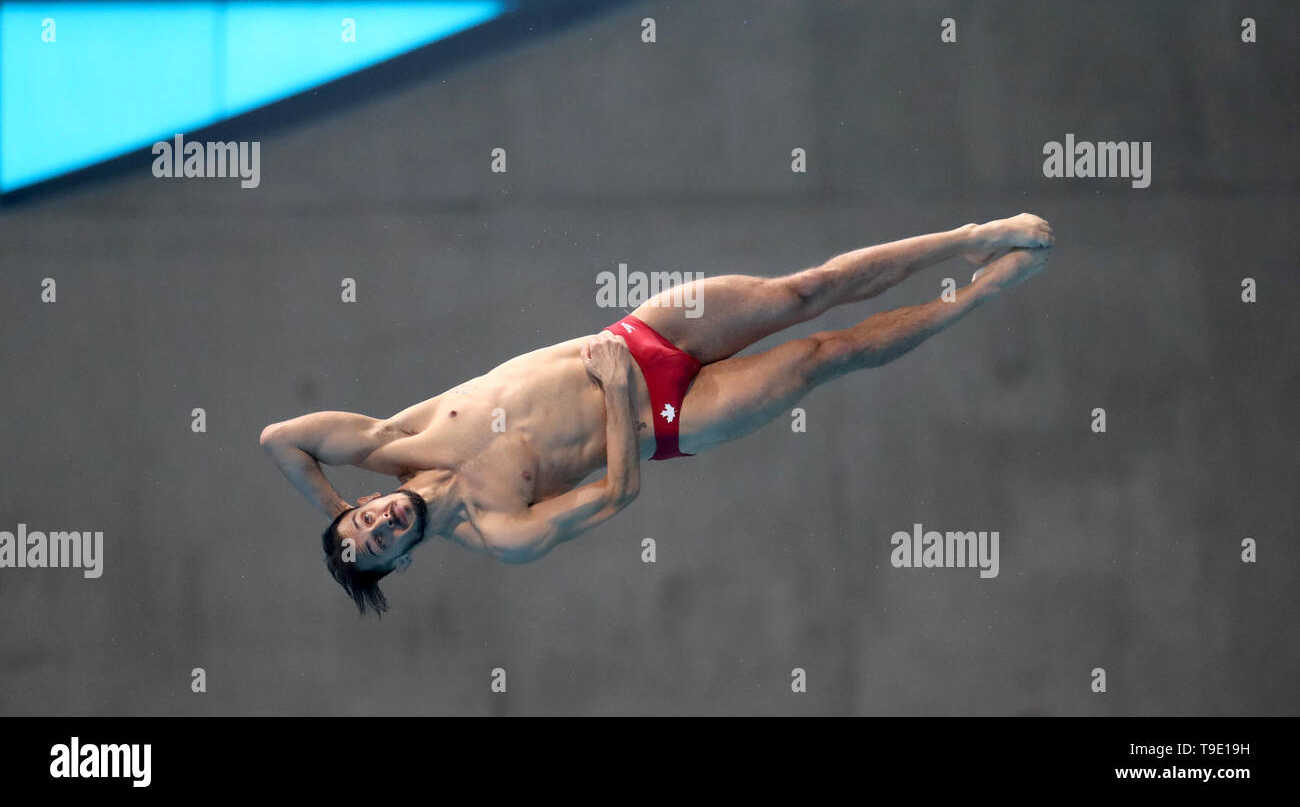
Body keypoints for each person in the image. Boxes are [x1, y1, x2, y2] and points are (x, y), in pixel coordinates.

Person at [260, 214, 1053, 614]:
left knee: (804, 292)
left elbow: (282, 439)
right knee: (824, 358)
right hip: (667, 418)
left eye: (364, 524)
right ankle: (980, 295)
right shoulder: (498, 533)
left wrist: (331, 516)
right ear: (401, 563)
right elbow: (615, 496)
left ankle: (971, 237)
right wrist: (613, 398)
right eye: (377, 548)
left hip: (641, 336)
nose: (380, 528)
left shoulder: (392, 442)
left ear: (365, 504)